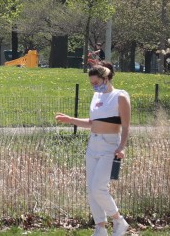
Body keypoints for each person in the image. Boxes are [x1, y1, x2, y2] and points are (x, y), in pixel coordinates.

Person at [55, 64, 131, 236]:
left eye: (97, 82)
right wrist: (70, 120)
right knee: (91, 189)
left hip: (109, 145)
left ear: (106, 78)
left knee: (99, 188)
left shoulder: (120, 96)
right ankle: (100, 227)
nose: (95, 86)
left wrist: (122, 147)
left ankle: (119, 220)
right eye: (92, 83)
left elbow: (126, 126)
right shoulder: (96, 96)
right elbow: (91, 123)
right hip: (93, 144)